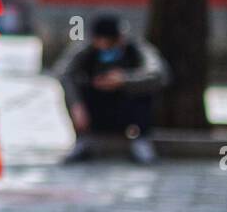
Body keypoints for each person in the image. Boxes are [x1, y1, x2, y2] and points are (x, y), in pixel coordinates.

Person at [52, 14, 170, 165]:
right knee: (74, 86)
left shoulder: (136, 49)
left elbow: (159, 73)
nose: (104, 47)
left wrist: (124, 80)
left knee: (146, 91)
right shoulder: (85, 51)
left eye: (109, 43)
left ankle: (141, 142)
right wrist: (76, 105)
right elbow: (63, 73)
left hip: (128, 105)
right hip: (96, 108)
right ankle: (83, 140)